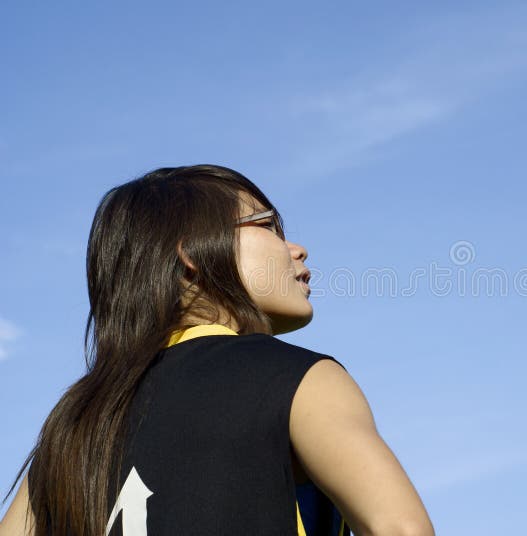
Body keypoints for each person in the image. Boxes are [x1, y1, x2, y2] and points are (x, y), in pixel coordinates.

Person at [0, 165, 435, 536]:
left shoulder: (74, 421)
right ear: (192, 252)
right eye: (266, 225)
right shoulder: (297, 377)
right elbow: (400, 528)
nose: (298, 249)